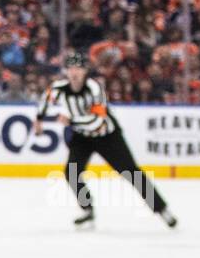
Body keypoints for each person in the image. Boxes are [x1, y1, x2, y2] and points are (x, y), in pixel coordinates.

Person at [35, 52, 177, 230]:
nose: (74, 72)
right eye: (70, 68)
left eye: (78, 68)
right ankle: (87, 209)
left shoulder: (94, 88)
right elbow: (45, 99)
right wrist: (38, 120)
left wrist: (71, 121)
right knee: (71, 172)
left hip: (107, 136)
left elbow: (98, 120)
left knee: (131, 173)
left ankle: (162, 209)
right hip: (82, 137)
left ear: (85, 70)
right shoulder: (59, 87)